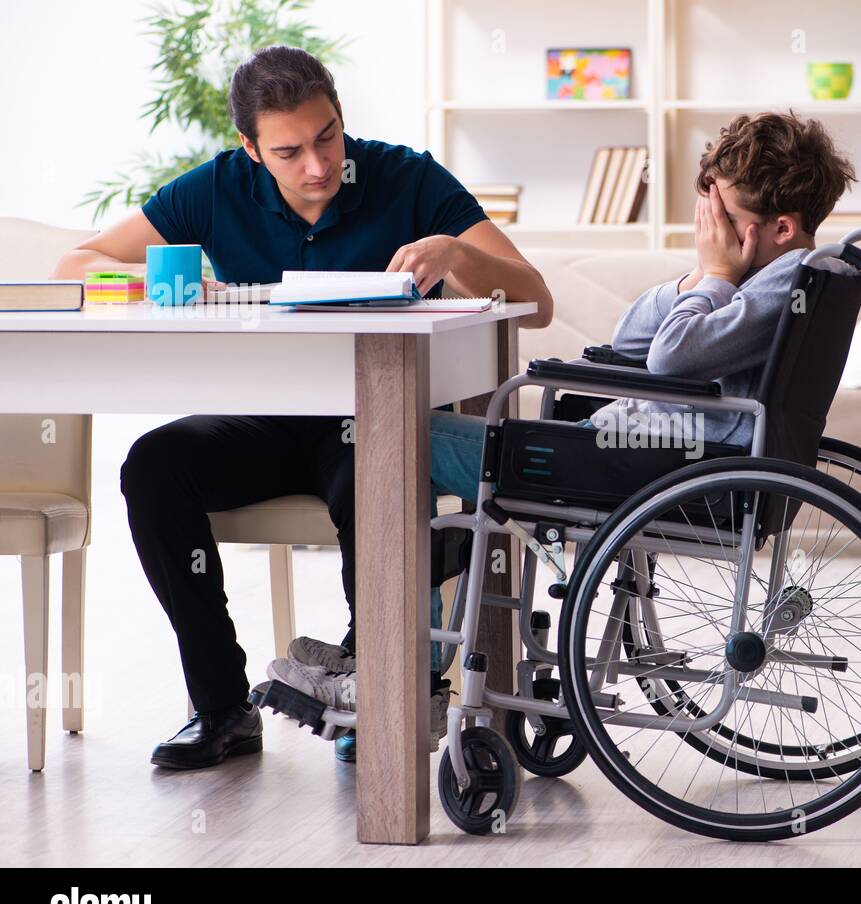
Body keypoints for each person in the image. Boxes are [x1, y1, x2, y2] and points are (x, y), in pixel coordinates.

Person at [266, 110, 860, 760]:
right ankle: (398, 663)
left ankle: (393, 680)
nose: (710, 231)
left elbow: (669, 357)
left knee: (397, 435)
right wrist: (701, 276)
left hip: (644, 469)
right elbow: (637, 336)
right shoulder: (780, 277)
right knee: (434, 451)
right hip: (639, 457)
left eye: (723, 220)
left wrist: (717, 275)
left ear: (779, 227)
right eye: (706, 216)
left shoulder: (779, 284)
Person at [51, 45, 553, 770]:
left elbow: (536, 298)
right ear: (250, 150)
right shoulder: (214, 190)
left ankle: (376, 685)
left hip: (370, 416)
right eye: (289, 151)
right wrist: (182, 273)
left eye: (327, 138)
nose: (317, 166)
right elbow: (76, 264)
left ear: (342, 120)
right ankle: (223, 707)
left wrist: (455, 253)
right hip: (265, 419)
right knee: (155, 465)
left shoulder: (407, 177)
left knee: (373, 460)